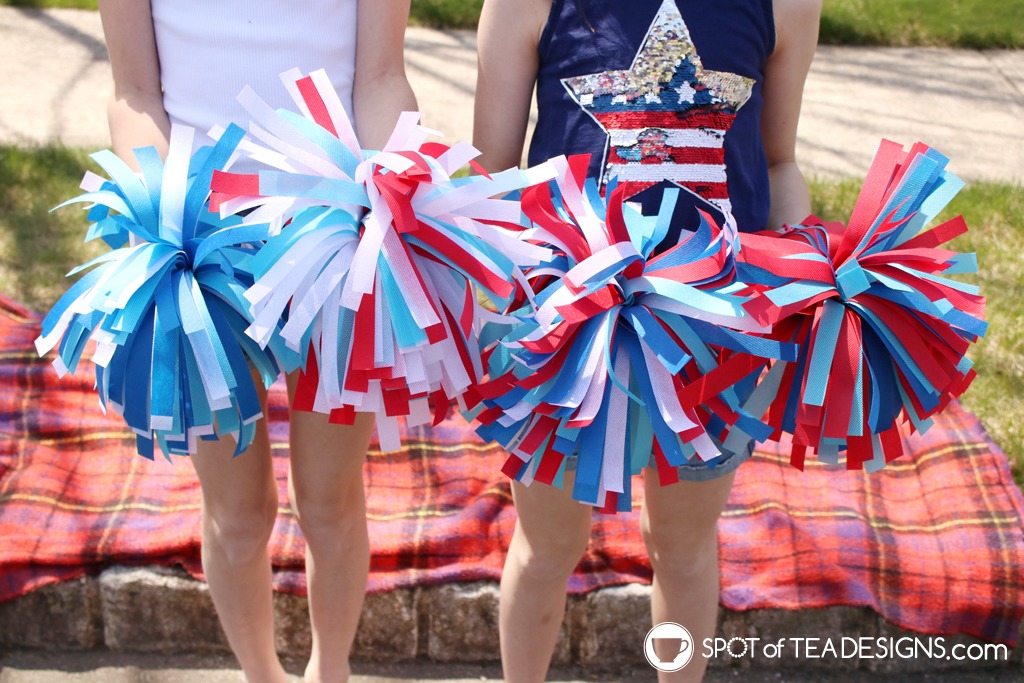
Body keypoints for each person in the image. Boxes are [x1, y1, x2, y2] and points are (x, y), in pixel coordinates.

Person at [473, 0, 821, 680]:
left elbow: (778, 164)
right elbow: (492, 177)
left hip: (716, 345)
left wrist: (803, 269)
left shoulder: (786, 5)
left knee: (685, 546)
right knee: (547, 545)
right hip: (570, 341)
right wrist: (520, 313)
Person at [96, 2, 416, 682]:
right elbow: (133, 92)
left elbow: (382, 75)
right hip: (197, 250)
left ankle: (331, 670)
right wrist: (160, 210)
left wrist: (392, 184)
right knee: (237, 511)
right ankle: (260, 674)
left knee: (330, 499)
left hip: (336, 236)